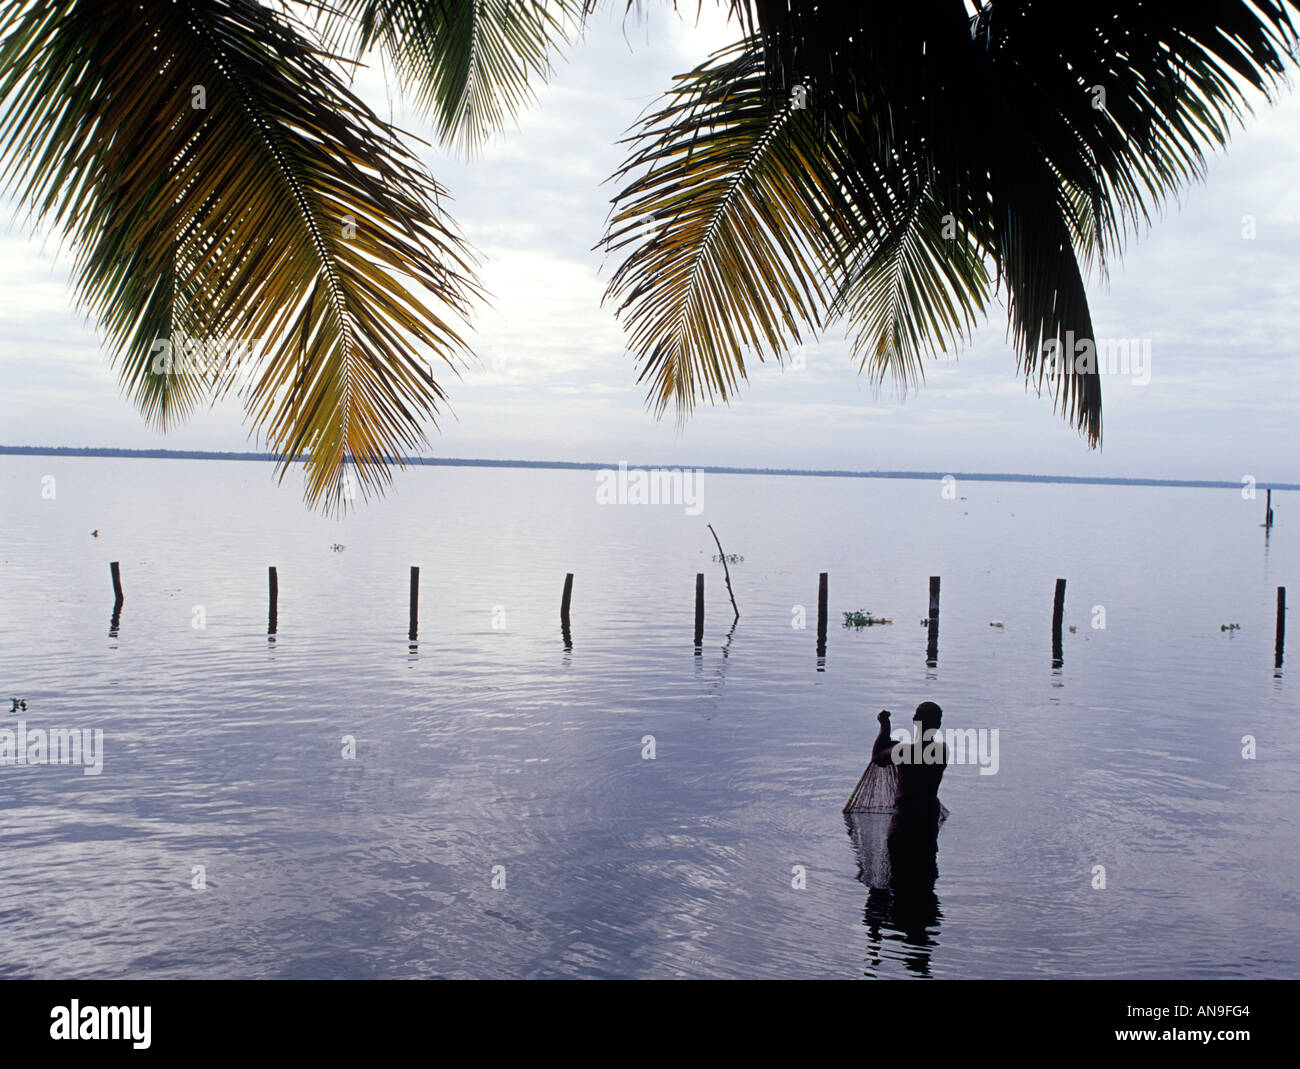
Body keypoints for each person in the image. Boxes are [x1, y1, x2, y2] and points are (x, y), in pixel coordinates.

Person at [871, 701, 947, 812]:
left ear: (914, 720)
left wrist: (885, 725)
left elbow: (877, 757)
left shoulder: (904, 750)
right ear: (938, 725)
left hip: (905, 813)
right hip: (929, 813)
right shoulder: (943, 750)